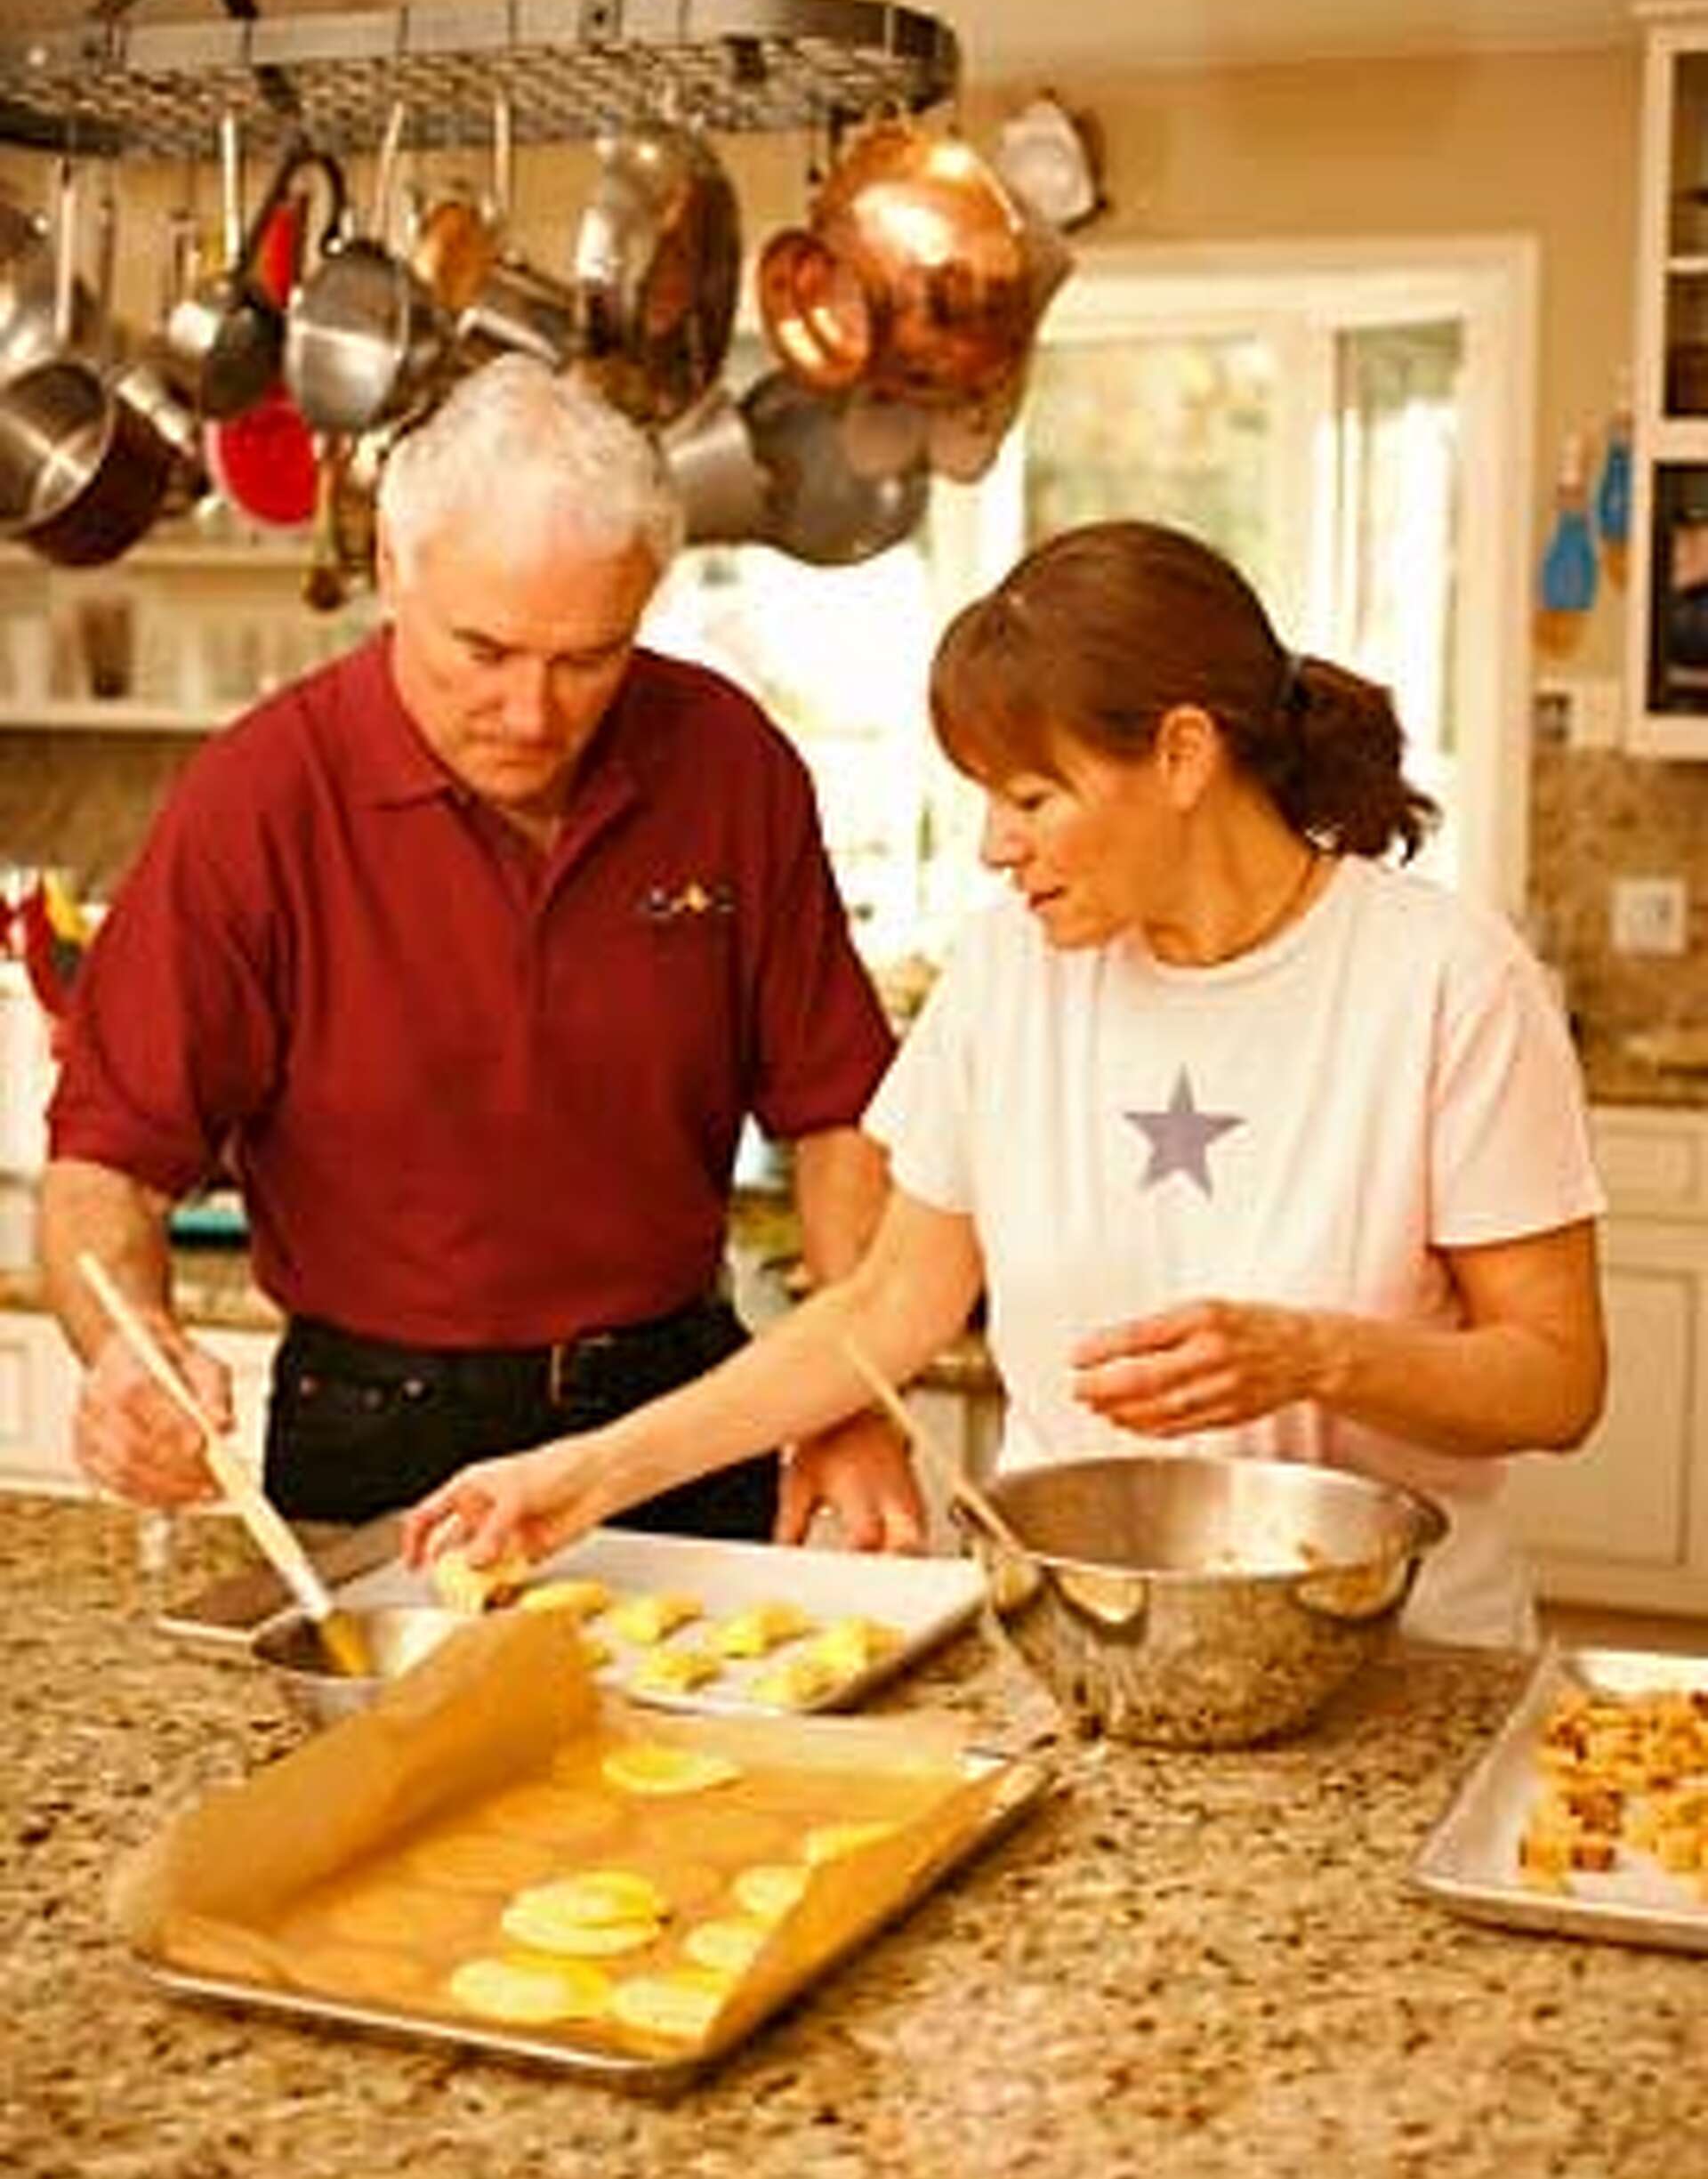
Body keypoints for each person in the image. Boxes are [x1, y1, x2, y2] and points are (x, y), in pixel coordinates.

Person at [403, 517, 1608, 1650]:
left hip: (1392, 1657)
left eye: (1032, 797)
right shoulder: (1010, 970)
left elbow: (1557, 1380)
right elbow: (882, 1309)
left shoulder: (1446, 980)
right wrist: (583, 1477)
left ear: (1183, 753)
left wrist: (1317, 1355)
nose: (994, 844)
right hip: (1081, 1642)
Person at [38, 355, 922, 1550]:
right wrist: (131, 1355)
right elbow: (108, 1165)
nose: (533, 713)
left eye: (587, 659)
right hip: (377, 1430)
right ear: (392, 573)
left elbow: (839, 1113)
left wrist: (852, 1393)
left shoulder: (726, 760)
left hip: (678, 1413)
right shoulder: (258, 798)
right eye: (485, 651)